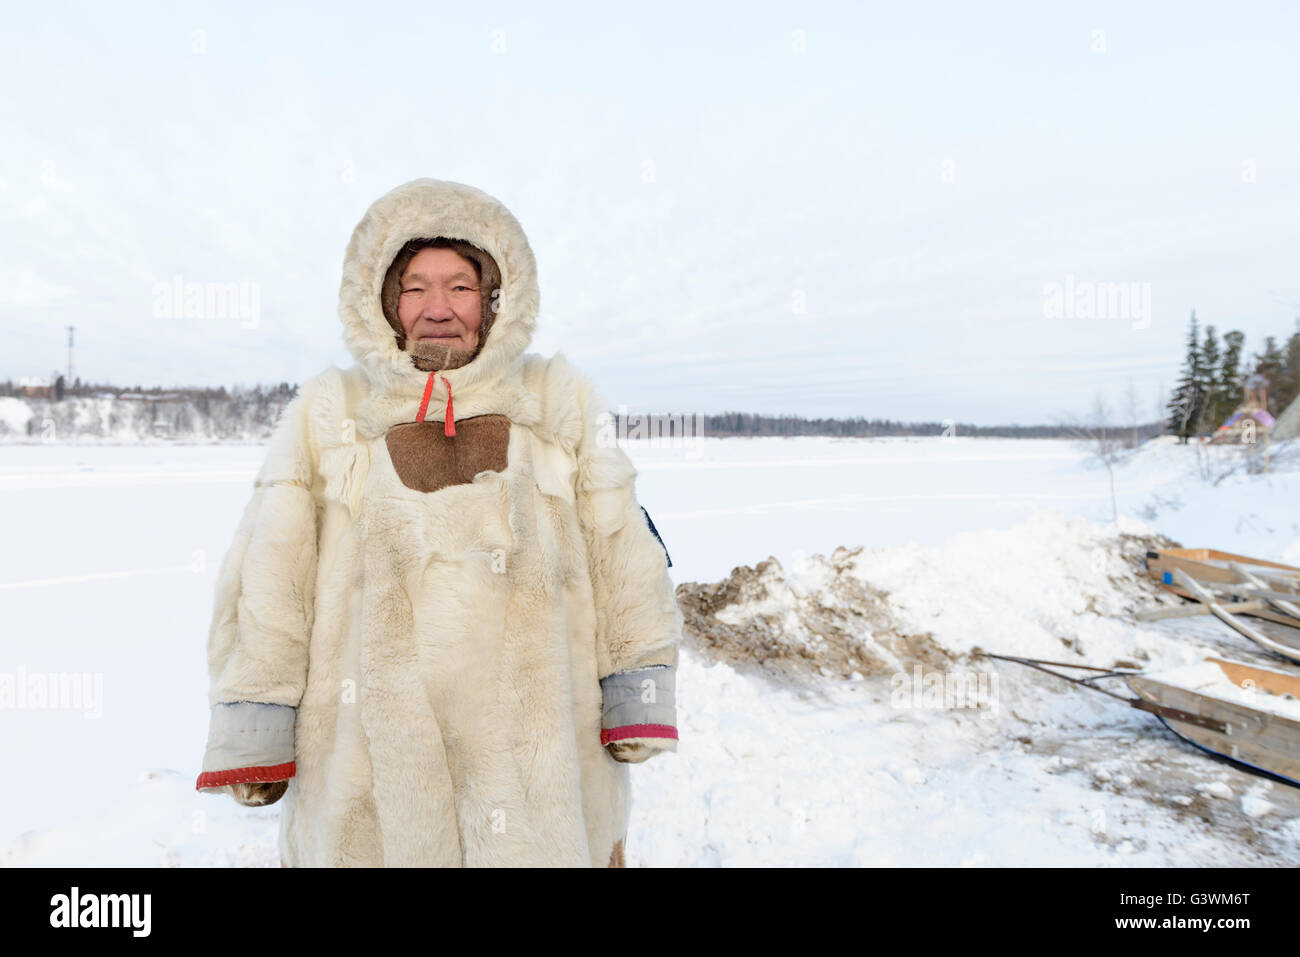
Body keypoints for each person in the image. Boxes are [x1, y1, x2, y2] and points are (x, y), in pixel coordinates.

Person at [194, 178, 682, 867]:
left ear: (495, 298)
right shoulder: (330, 410)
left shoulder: (557, 399)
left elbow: (622, 546)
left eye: (460, 286)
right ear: (384, 302)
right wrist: (256, 721)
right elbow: (271, 565)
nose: (438, 307)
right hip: (368, 763)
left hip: (541, 754)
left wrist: (639, 688)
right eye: (415, 286)